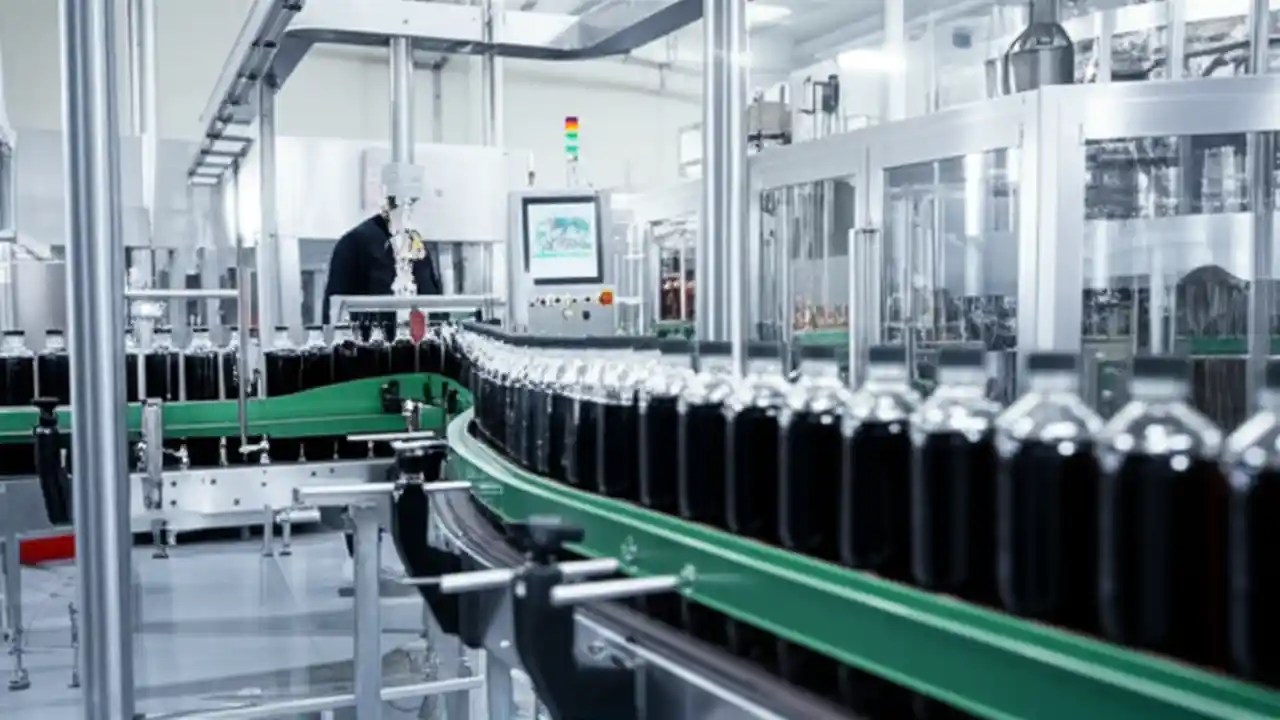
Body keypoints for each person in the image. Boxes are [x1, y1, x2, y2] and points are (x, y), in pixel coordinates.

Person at [322, 209, 442, 336]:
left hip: (420, 341)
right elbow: (334, 315)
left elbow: (436, 310)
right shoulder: (354, 244)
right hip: (372, 343)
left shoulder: (419, 250)